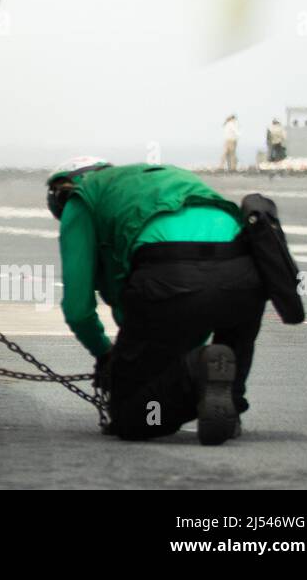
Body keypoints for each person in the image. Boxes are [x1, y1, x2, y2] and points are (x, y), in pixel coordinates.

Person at [47, 158, 266, 445]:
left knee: (131, 417)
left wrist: (106, 354)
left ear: (61, 193)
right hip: (246, 277)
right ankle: (230, 403)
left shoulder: (81, 198)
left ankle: (188, 382)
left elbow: (78, 310)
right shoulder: (167, 177)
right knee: (224, 323)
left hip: (171, 274)